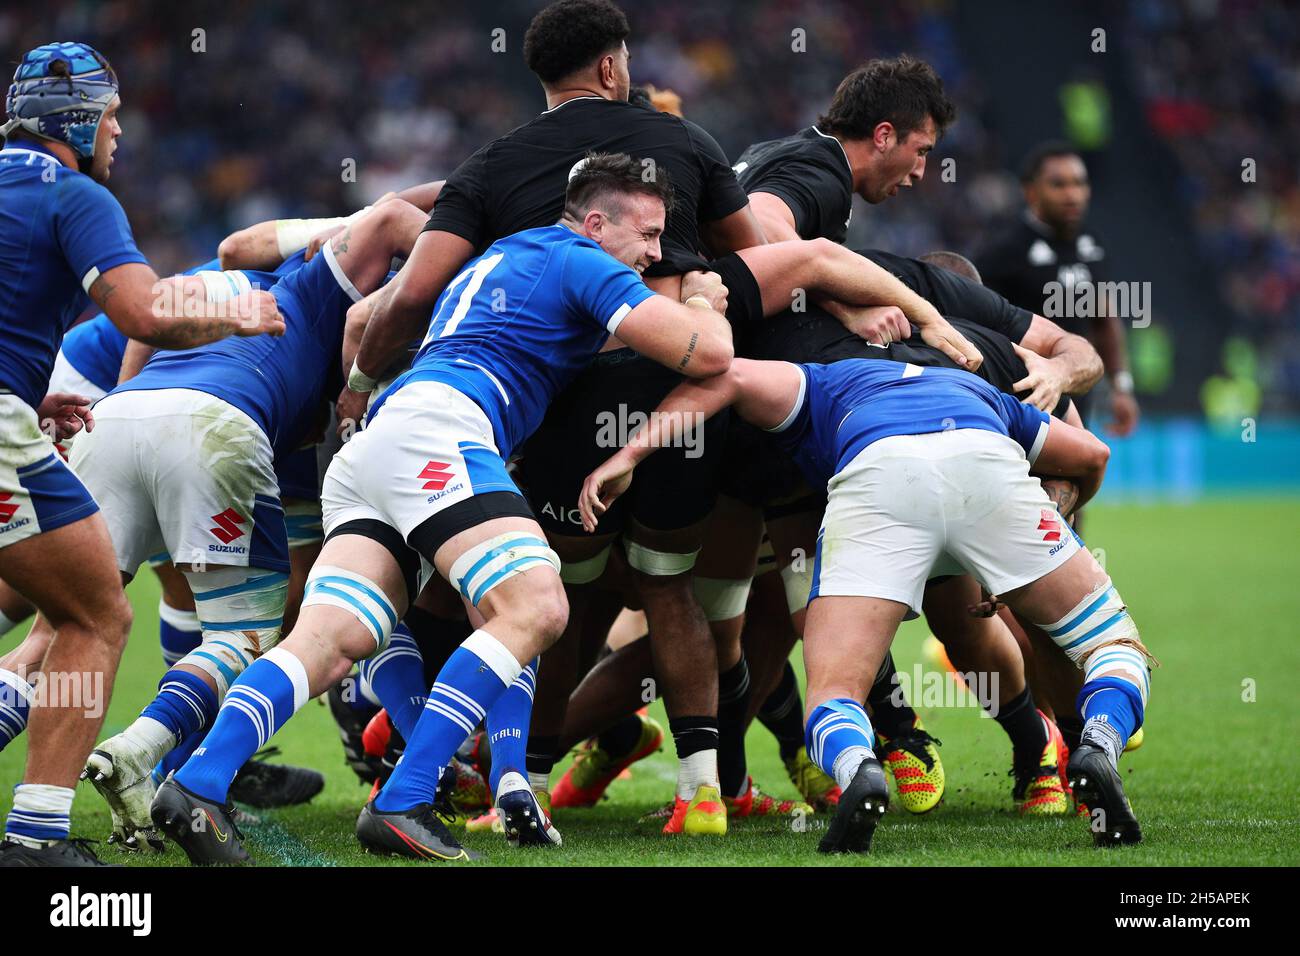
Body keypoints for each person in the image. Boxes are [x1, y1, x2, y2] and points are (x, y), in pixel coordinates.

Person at [150, 152, 736, 865]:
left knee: (330, 642)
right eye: (646, 233)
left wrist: (358, 386)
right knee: (538, 605)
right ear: (593, 223)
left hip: (376, 445)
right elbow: (707, 355)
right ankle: (406, 796)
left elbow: (372, 315)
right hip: (441, 431)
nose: (655, 252)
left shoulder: (500, 253)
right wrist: (706, 297)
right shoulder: (582, 261)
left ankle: (199, 781)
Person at [579, 357, 1152, 852]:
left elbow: (724, 378)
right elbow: (1093, 455)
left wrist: (630, 453)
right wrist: (1049, 527)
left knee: (833, 691)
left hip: (878, 473)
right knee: (1113, 644)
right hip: (986, 462)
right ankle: (1099, 739)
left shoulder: (825, 379)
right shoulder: (980, 390)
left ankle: (860, 768)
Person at [0, 41, 283, 868]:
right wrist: (237, 312)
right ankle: (37, 837)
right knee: (96, 613)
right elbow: (147, 316)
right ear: (80, 121)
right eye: (114, 118)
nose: (120, 136)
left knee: (58, 605)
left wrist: (27, 396)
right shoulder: (76, 196)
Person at [978, 141, 1139, 436]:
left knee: (1075, 479)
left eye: (1079, 183)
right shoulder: (1003, 252)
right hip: (1022, 400)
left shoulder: (1094, 245)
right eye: (1058, 184)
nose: (1072, 195)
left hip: (1078, 395)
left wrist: (1121, 386)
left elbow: (1103, 321)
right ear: (1030, 191)